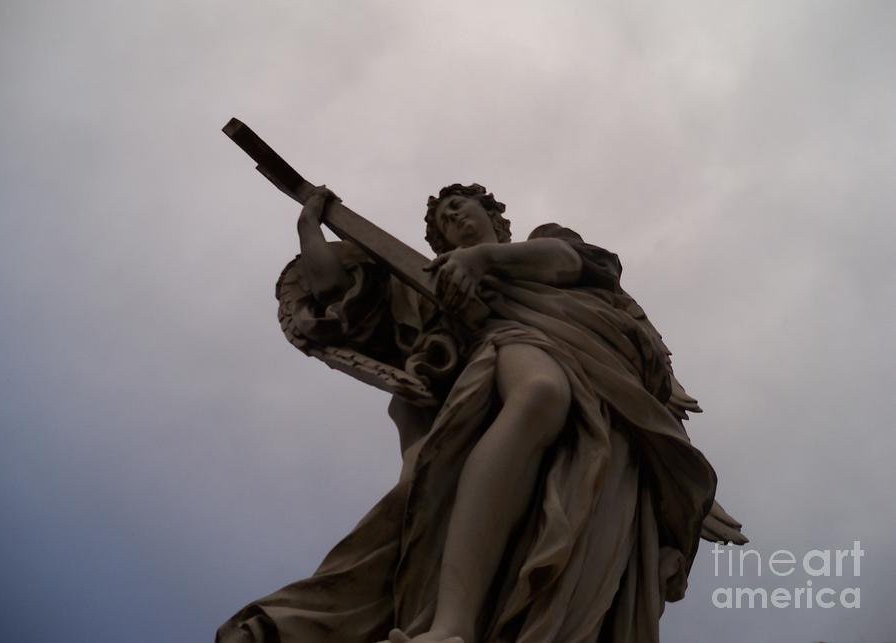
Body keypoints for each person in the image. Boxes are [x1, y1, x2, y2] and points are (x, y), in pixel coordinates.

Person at [217, 184, 745, 643]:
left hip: (612, 392)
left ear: (497, 217)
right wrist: (311, 224)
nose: (451, 219)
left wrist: (484, 262)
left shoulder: (542, 243)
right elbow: (336, 294)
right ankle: (450, 623)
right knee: (535, 397)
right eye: (442, 219)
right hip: (505, 355)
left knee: (598, 526)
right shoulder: (428, 281)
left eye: (459, 205)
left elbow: (581, 266)